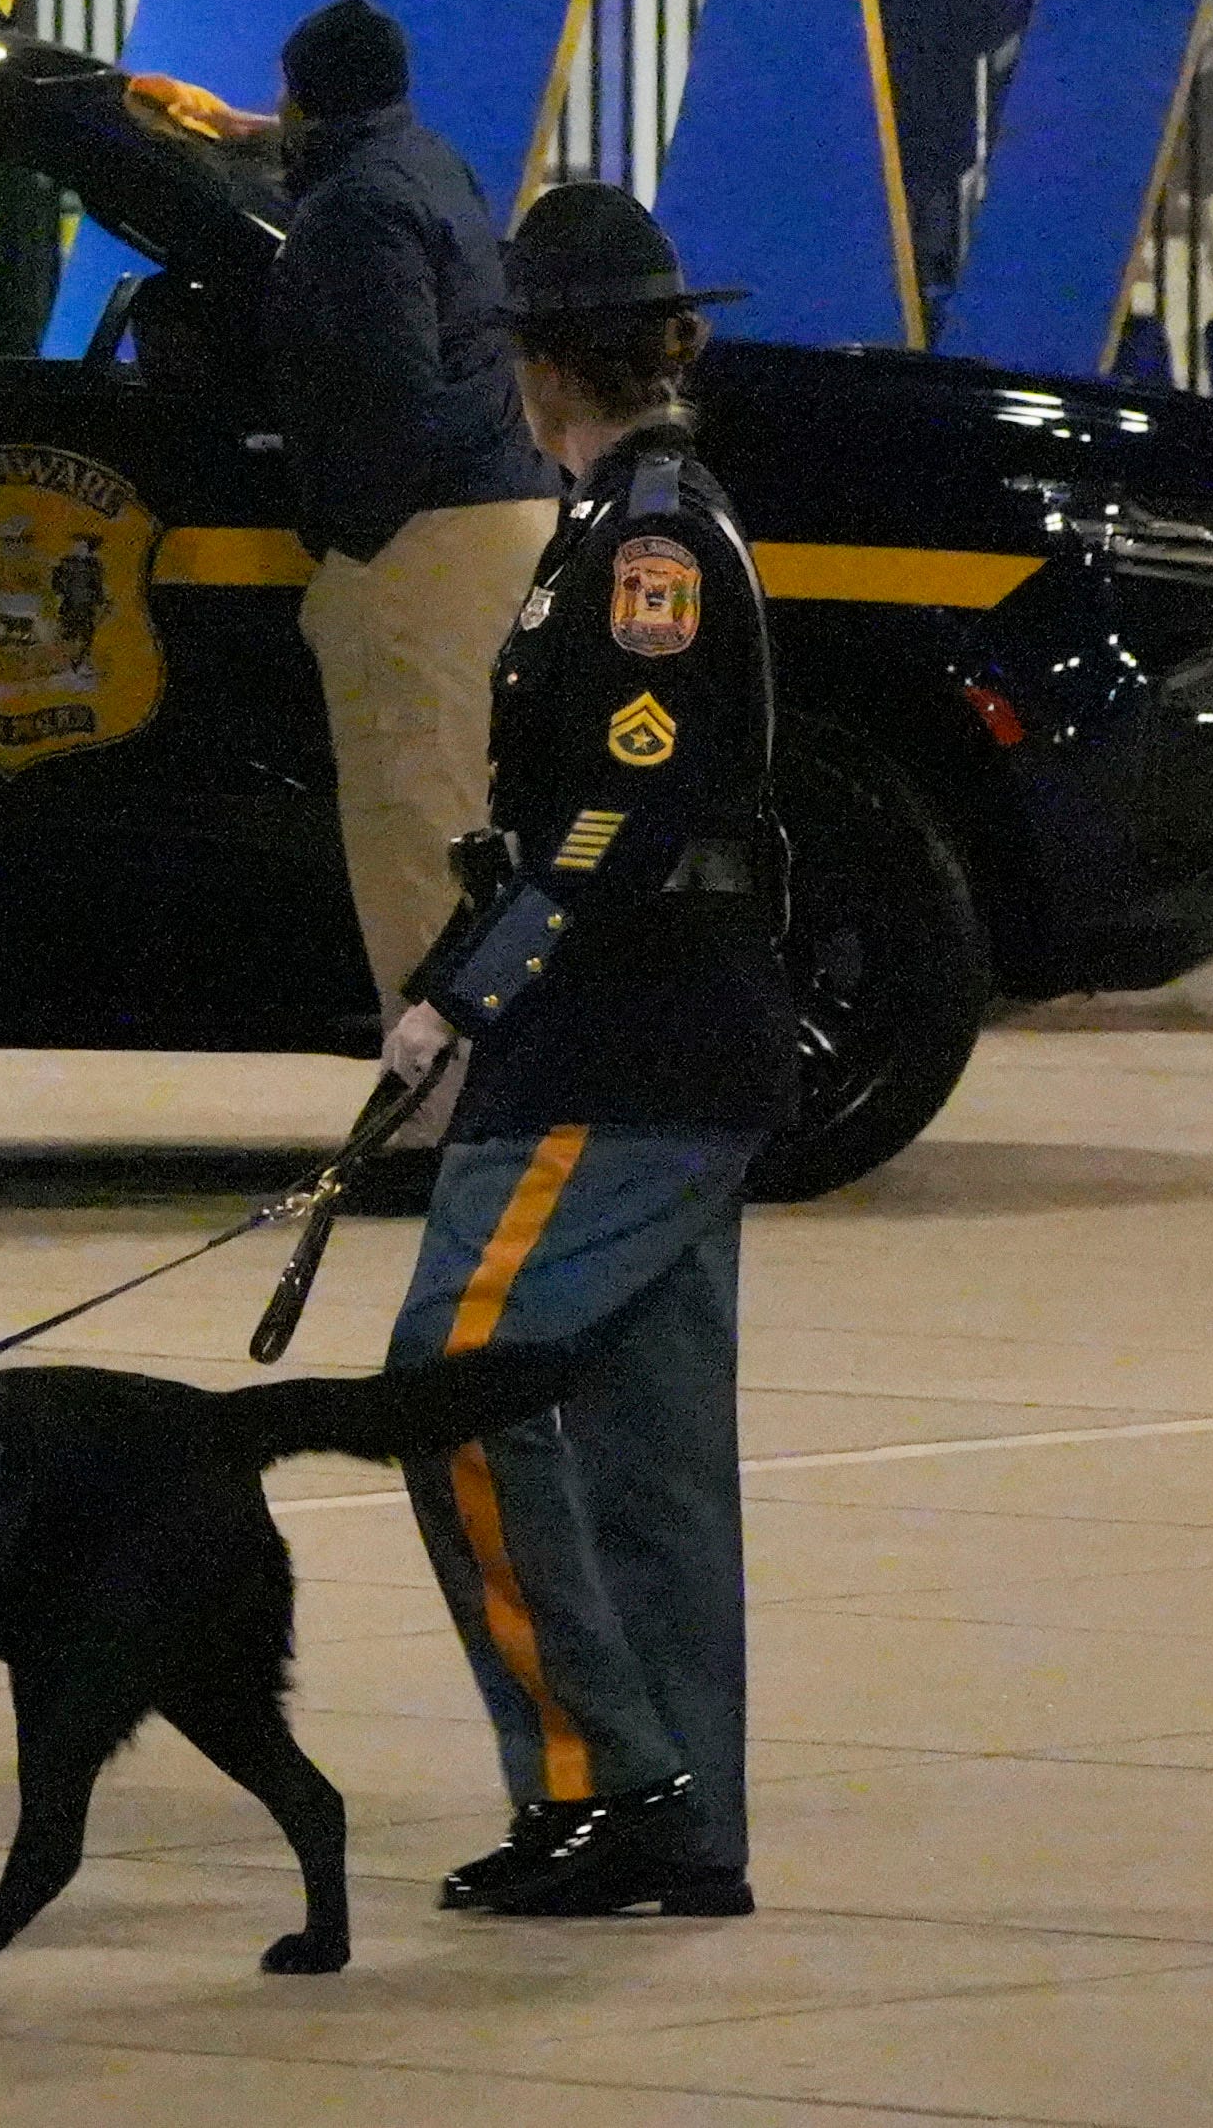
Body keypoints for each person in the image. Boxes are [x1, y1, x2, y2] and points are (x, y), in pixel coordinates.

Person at [377, 182, 787, 1920]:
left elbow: (634, 797)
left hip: (628, 1036)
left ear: (542, 362)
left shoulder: (649, 541)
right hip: (660, 1031)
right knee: (641, 1447)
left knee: (449, 1373)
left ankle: (605, 1775)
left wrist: (482, 986)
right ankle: (681, 1815)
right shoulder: (621, 514)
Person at [264, 0, 561, 1064]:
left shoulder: (353, 212)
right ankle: (475, 1096)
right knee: (462, 828)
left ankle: (445, 1109)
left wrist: (350, 531)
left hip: (422, 548)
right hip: (489, 524)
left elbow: (392, 400)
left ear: (303, 93)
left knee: (416, 843)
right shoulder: (427, 164)